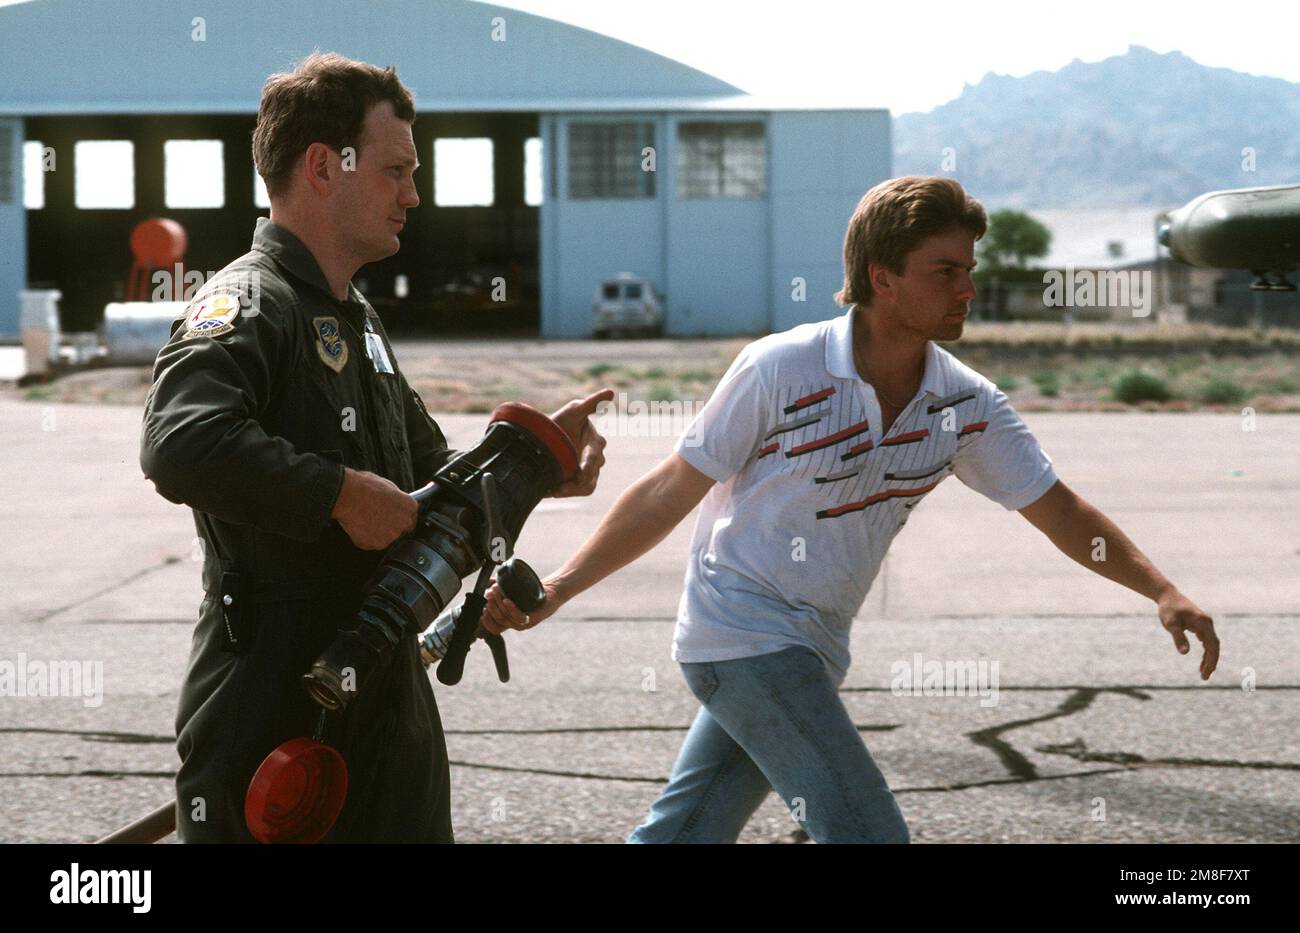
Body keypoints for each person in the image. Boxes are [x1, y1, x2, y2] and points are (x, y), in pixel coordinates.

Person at [482, 175, 1221, 844]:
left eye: (969, 270)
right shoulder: (781, 368)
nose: (968, 288)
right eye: (946, 271)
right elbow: (671, 489)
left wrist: (1160, 588)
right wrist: (556, 588)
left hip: (812, 652)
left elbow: (1060, 512)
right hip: (741, 636)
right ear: (882, 277)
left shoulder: (966, 405)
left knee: (682, 836)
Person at [140, 52, 610, 843]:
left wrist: (535, 464)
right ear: (325, 166)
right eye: (397, 169)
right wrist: (337, 492)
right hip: (274, 705)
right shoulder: (249, 301)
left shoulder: (357, 321)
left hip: (386, 704)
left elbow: (434, 475)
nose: (413, 194)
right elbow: (180, 441)